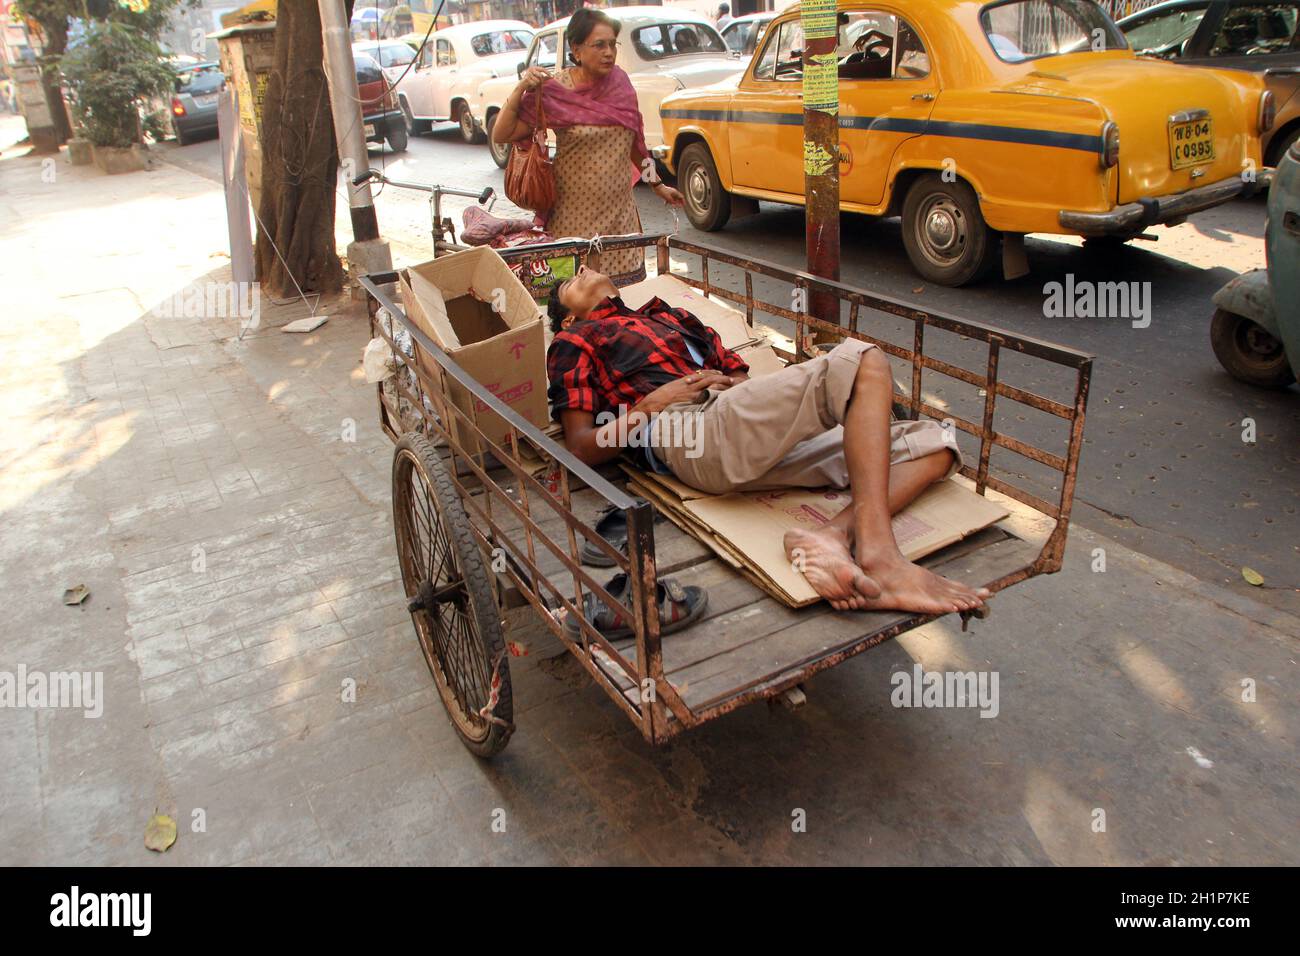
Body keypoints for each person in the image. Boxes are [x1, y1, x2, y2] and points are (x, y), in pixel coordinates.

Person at [546, 267, 991, 616]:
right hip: (680, 429)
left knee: (937, 443)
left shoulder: (670, 315)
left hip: (737, 420)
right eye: (570, 281)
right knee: (864, 359)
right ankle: (880, 556)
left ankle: (829, 535)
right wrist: (652, 403)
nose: (583, 269)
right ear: (567, 316)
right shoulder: (573, 339)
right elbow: (582, 446)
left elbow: (740, 374)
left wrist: (730, 382)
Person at [491, 8, 684, 285]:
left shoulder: (621, 85)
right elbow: (502, 133)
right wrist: (521, 86)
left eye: (612, 44)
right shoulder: (556, 89)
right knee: (579, 303)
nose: (609, 52)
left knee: (624, 304)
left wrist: (657, 185)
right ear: (577, 49)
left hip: (620, 218)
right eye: (599, 45)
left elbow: (636, 147)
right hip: (572, 220)